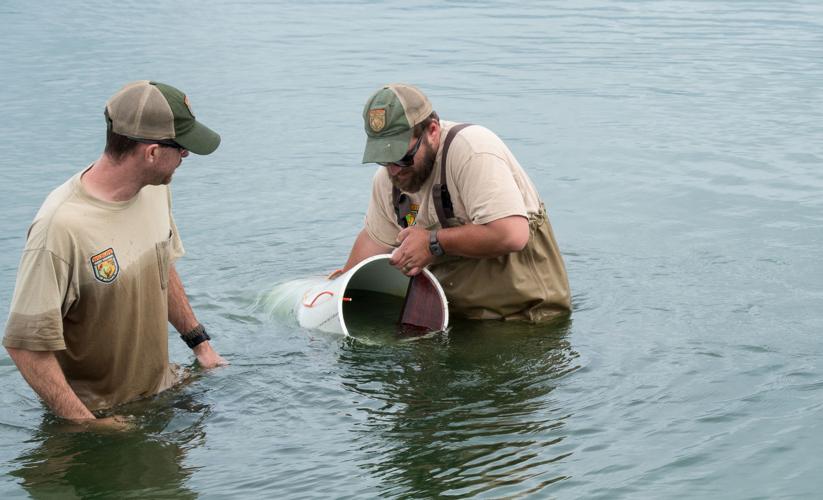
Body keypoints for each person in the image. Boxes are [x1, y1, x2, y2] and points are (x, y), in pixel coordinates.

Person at [3, 80, 227, 429]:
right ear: (151, 153)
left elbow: (160, 264)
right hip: (102, 418)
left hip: (164, 391)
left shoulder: (154, 189)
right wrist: (89, 423)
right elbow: (25, 346)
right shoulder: (60, 228)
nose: (186, 155)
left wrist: (200, 345)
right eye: (181, 147)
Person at [338, 83, 571, 322]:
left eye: (402, 157)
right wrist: (333, 291)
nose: (394, 170)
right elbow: (374, 239)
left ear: (432, 130)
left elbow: (512, 234)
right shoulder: (388, 179)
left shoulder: (472, 151)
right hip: (454, 318)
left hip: (528, 317)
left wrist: (431, 243)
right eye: (383, 159)